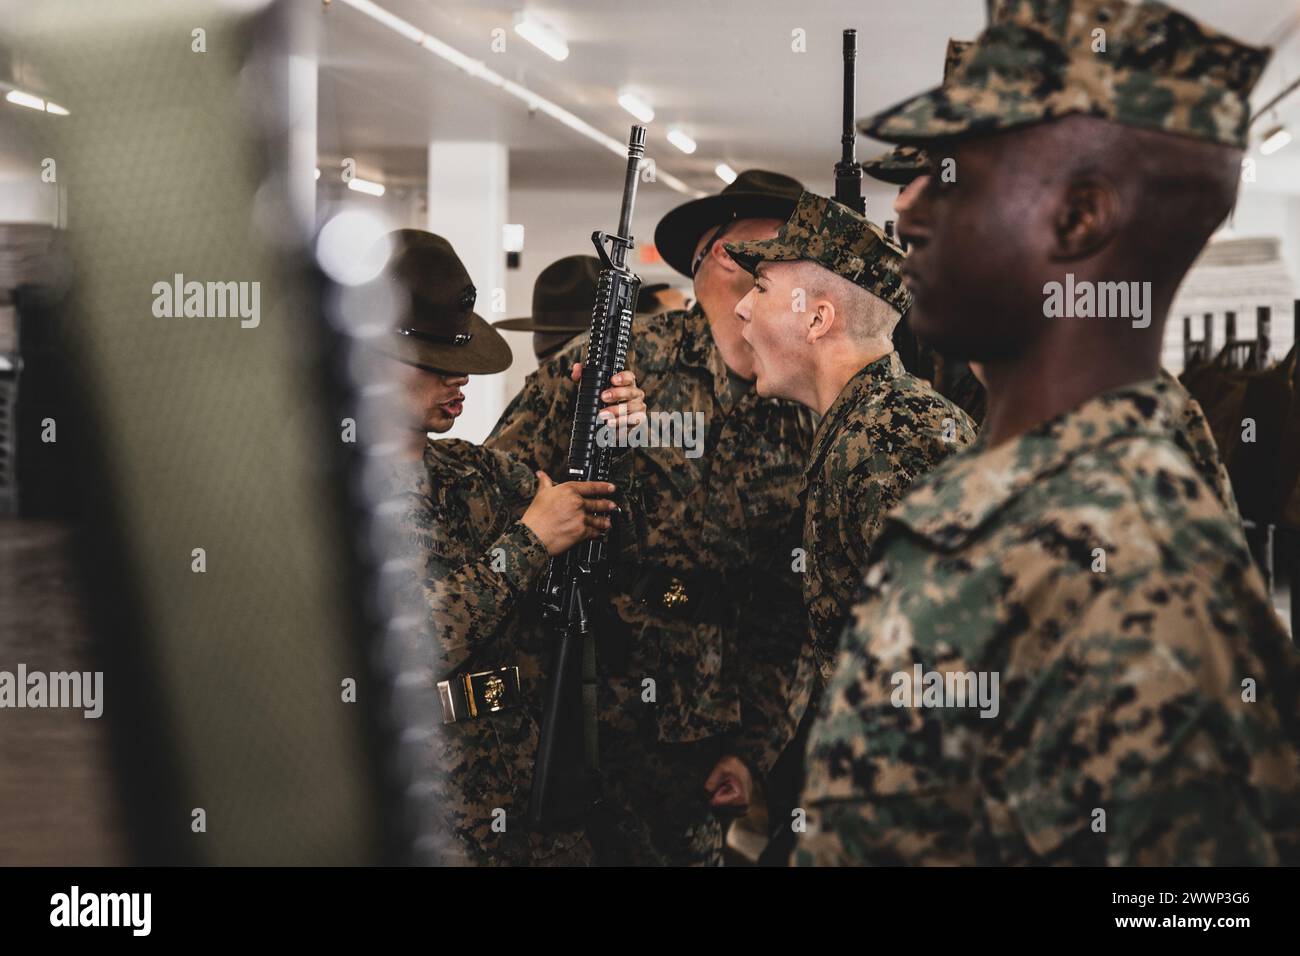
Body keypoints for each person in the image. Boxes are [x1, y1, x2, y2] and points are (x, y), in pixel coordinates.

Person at [798, 0, 1299, 866]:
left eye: (951, 175)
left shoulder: (1120, 561)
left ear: (1077, 220)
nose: (907, 211)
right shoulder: (1023, 499)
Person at [487, 171, 817, 865]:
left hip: (702, 730)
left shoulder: (801, 398)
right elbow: (495, 500)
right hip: (579, 706)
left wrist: (756, 748)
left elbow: (788, 602)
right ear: (723, 260)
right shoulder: (611, 367)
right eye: (781, 253)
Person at [372, 230, 644, 864]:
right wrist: (528, 543)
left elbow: (608, 543)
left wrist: (611, 436)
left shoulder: (477, 473)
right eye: (435, 362)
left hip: (528, 799)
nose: (458, 375)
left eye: (459, 355)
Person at [726, 190, 976, 863]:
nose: (742, 308)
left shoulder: (893, 440)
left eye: (762, 288)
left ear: (819, 318)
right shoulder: (860, 430)